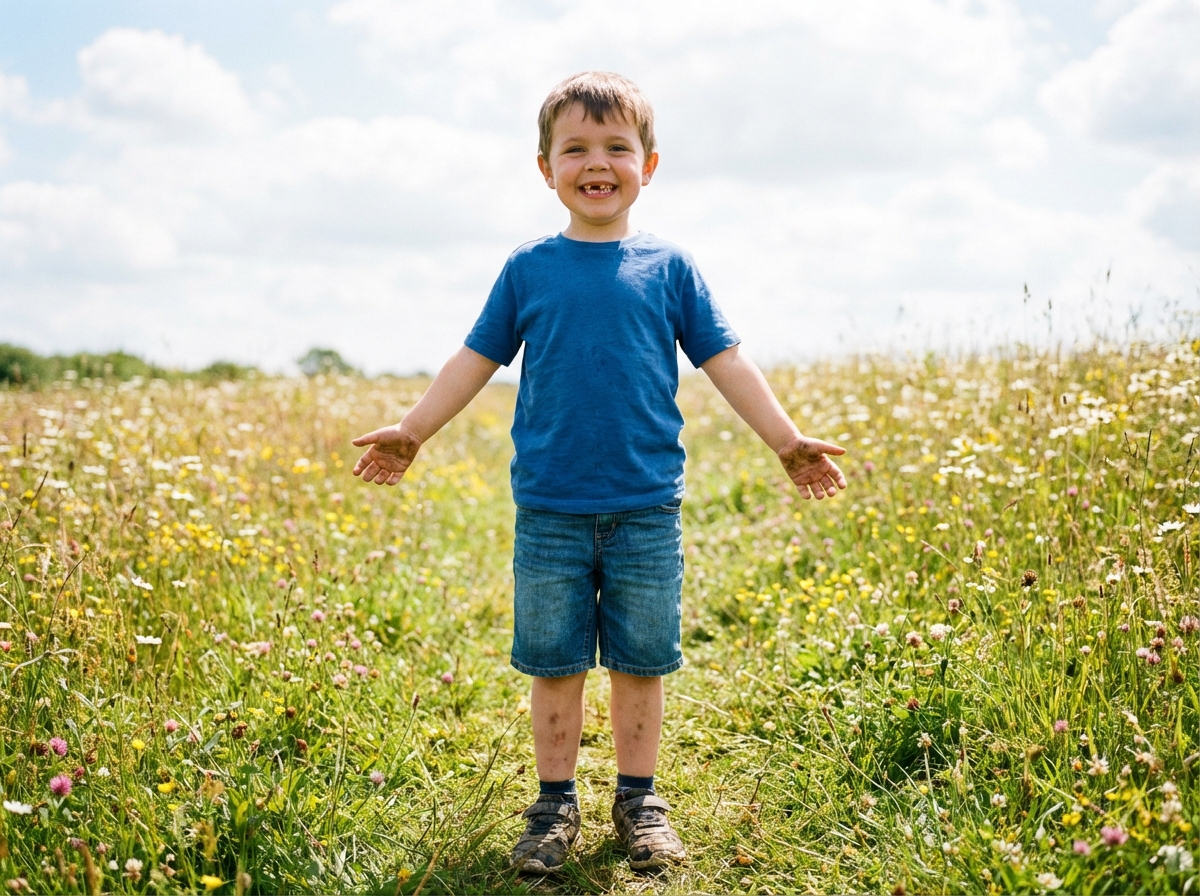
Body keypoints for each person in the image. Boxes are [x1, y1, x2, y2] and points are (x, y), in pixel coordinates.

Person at [351, 71, 847, 875]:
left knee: (641, 663)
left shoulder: (670, 268)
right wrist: (412, 431)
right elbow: (474, 360)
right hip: (550, 510)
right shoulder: (529, 269)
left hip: (647, 510)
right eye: (574, 147)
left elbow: (727, 361)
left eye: (617, 146)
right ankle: (552, 809)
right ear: (545, 169)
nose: (597, 162)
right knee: (554, 665)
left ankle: (639, 801)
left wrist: (787, 442)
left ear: (649, 165)